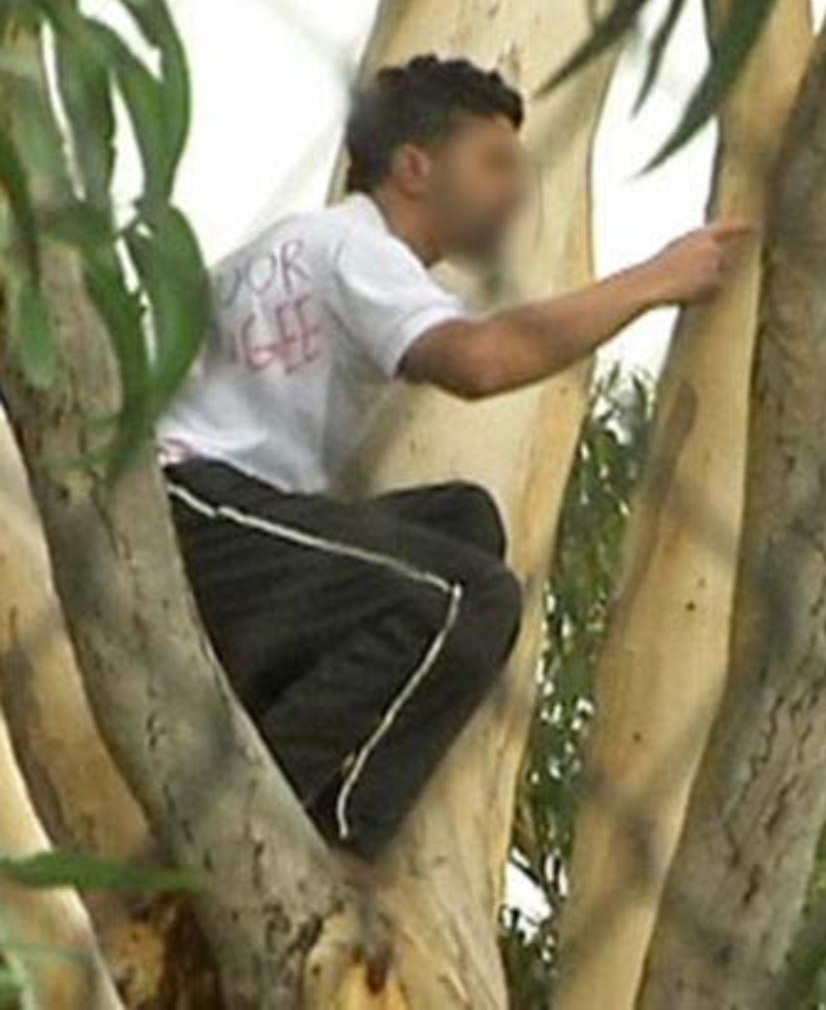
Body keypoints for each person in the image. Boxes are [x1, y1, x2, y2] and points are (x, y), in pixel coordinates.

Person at [156, 53, 754, 877]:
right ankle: (290, 831)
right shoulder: (354, 245)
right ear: (414, 168)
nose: (517, 188)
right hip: (192, 505)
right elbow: (478, 360)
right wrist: (654, 280)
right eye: (494, 161)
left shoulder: (315, 242)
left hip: (239, 527)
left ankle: (278, 750)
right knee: (470, 596)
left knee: (462, 521)